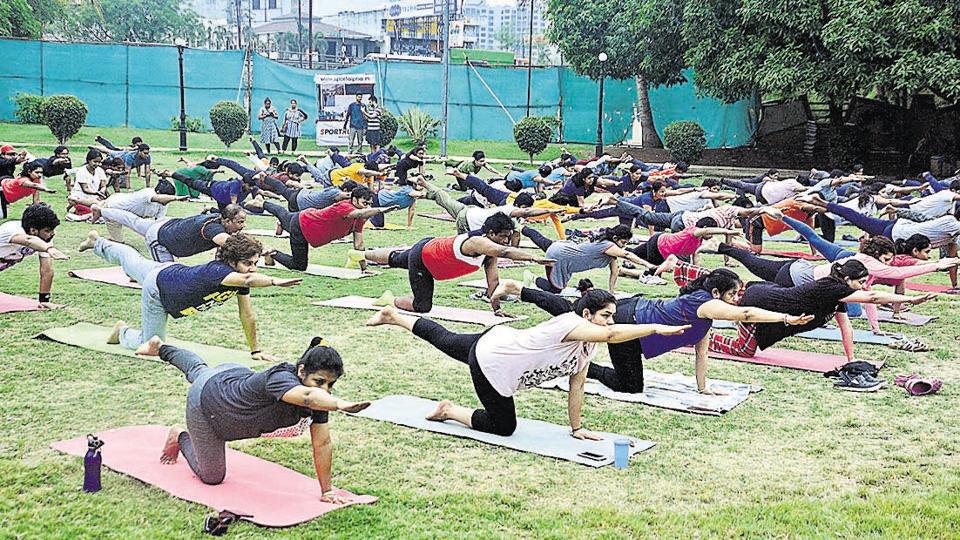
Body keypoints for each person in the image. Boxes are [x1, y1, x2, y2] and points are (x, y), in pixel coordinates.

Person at [365, 292, 690, 437]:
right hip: (493, 364)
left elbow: (577, 388)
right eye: (605, 316)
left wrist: (577, 429)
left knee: (446, 340)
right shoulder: (569, 325)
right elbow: (615, 335)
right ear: (587, 315)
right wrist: (656, 328)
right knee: (503, 427)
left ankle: (394, 316)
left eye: (612, 316)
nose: (609, 322)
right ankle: (449, 411)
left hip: (498, 342)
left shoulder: (587, 346)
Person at [490, 270, 811, 394]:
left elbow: (702, 354)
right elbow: (747, 313)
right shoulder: (706, 305)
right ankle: (521, 290)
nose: (735, 299)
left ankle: (521, 290)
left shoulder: (706, 318)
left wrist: (703, 389)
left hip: (636, 314)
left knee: (571, 311)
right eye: (731, 293)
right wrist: (785, 318)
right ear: (716, 293)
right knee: (574, 315)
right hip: (632, 321)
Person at [135, 336, 370, 497]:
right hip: (208, 405)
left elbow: (322, 443)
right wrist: (339, 404)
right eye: (320, 382)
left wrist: (326, 491)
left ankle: (161, 348)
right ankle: (181, 436)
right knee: (212, 476)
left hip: (230, 376)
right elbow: (307, 396)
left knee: (199, 371)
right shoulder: (282, 377)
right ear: (301, 371)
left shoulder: (319, 399)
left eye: (331, 385)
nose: (325, 390)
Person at [78, 231, 300, 355]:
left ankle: (98, 243)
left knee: (131, 260)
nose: (252, 268)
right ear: (231, 261)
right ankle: (123, 332)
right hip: (158, 291)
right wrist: (275, 281)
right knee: (152, 345)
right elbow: (249, 278)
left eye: (255, 263)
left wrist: (255, 351)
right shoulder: (218, 271)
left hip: (167, 271)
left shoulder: (238, 278)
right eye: (247, 263)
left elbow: (247, 315)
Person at [673, 259, 936, 363]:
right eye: (859, 282)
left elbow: (847, 328)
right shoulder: (832, 287)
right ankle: (692, 334)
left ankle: (683, 271)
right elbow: (875, 296)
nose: (862, 287)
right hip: (763, 304)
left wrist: (849, 359)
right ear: (847, 280)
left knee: (727, 294)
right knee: (742, 347)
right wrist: (912, 300)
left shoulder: (835, 295)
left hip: (765, 296)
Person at [349, 213, 553, 315]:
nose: (507, 241)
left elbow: (494, 281)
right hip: (423, 260)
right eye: (503, 236)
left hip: (430, 249)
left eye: (509, 237)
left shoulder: (489, 254)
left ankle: (360, 254)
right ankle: (389, 300)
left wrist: (496, 309)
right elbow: (505, 251)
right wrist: (533, 258)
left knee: (395, 258)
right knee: (422, 306)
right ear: (490, 234)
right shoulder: (477, 242)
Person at [246, 187, 399, 272]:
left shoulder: (359, 219)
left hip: (306, 222)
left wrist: (364, 269)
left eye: (370, 204)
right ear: (354, 199)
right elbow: (360, 212)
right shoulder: (345, 206)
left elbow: (358, 245)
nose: (367, 206)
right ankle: (271, 251)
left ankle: (263, 203)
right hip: (301, 225)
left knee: (283, 215)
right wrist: (382, 210)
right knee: (299, 266)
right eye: (365, 202)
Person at [522, 224, 660, 292]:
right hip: (559, 257)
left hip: (561, 248)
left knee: (541, 241)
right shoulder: (607, 245)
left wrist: (611, 292)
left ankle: (522, 227)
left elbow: (614, 272)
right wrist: (648, 265)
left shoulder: (610, 252)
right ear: (616, 238)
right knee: (556, 290)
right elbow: (627, 255)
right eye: (623, 243)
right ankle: (533, 278)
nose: (624, 247)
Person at [96, 204, 247, 262]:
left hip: (166, 223)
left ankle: (102, 210)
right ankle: (130, 269)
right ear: (227, 221)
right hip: (159, 240)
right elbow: (229, 243)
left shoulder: (220, 219)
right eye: (240, 222)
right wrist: (260, 250)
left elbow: (222, 249)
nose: (243, 225)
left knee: (134, 221)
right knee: (167, 276)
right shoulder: (212, 229)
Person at [0, 203, 68, 307]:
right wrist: (48, 248)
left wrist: (44, 300)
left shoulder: (45, 238)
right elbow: (29, 240)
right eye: (48, 230)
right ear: (33, 230)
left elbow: (46, 270)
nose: (52, 234)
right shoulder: (11, 229)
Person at [66, 149, 109, 220]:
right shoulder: (81, 171)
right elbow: (85, 189)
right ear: (88, 160)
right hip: (81, 196)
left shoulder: (100, 170)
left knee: (102, 206)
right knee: (98, 206)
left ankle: (81, 215)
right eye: (95, 162)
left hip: (94, 198)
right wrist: (97, 193)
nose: (97, 164)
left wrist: (101, 192)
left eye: (99, 162)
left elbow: (103, 186)